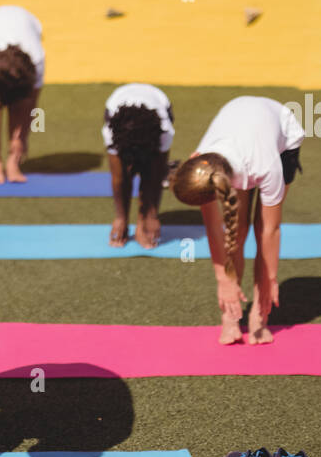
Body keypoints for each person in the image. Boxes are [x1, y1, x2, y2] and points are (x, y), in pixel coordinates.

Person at [170, 96, 304, 345]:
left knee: (259, 225)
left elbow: (271, 231)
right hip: (238, 131)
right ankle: (230, 319)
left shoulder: (265, 166)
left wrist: (271, 279)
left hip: (280, 137)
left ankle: (259, 317)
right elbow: (214, 229)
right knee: (237, 228)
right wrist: (223, 280)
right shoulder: (201, 165)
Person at [0, 5, 44, 184]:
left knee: (20, 104)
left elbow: (31, 103)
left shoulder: (37, 60)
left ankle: (13, 162)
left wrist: (21, 139)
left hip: (29, 26)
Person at [101, 83, 174, 248]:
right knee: (124, 171)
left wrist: (151, 215)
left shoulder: (164, 131)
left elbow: (155, 177)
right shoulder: (112, 132)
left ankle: (143, 221)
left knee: (149, 169)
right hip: (118, 106)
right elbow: (118, 178)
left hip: (160, 105)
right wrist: (120, 217)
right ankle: (124, 221)